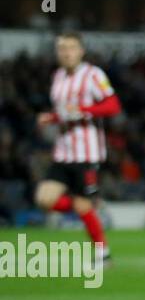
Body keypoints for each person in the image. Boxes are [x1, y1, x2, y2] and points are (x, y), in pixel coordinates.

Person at [34, 32, 121, 260]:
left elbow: (113, 105)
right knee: (44, 199)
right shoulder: (58, 76)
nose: (66, 52)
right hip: (63, 152)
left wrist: (85, 110)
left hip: (86, 152)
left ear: (81, 50)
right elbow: (65, 112)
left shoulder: (93, 74)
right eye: (62, 48)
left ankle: (103, 253)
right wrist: (51, 118)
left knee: (81, 204)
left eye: (71, 47)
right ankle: (88, 207)